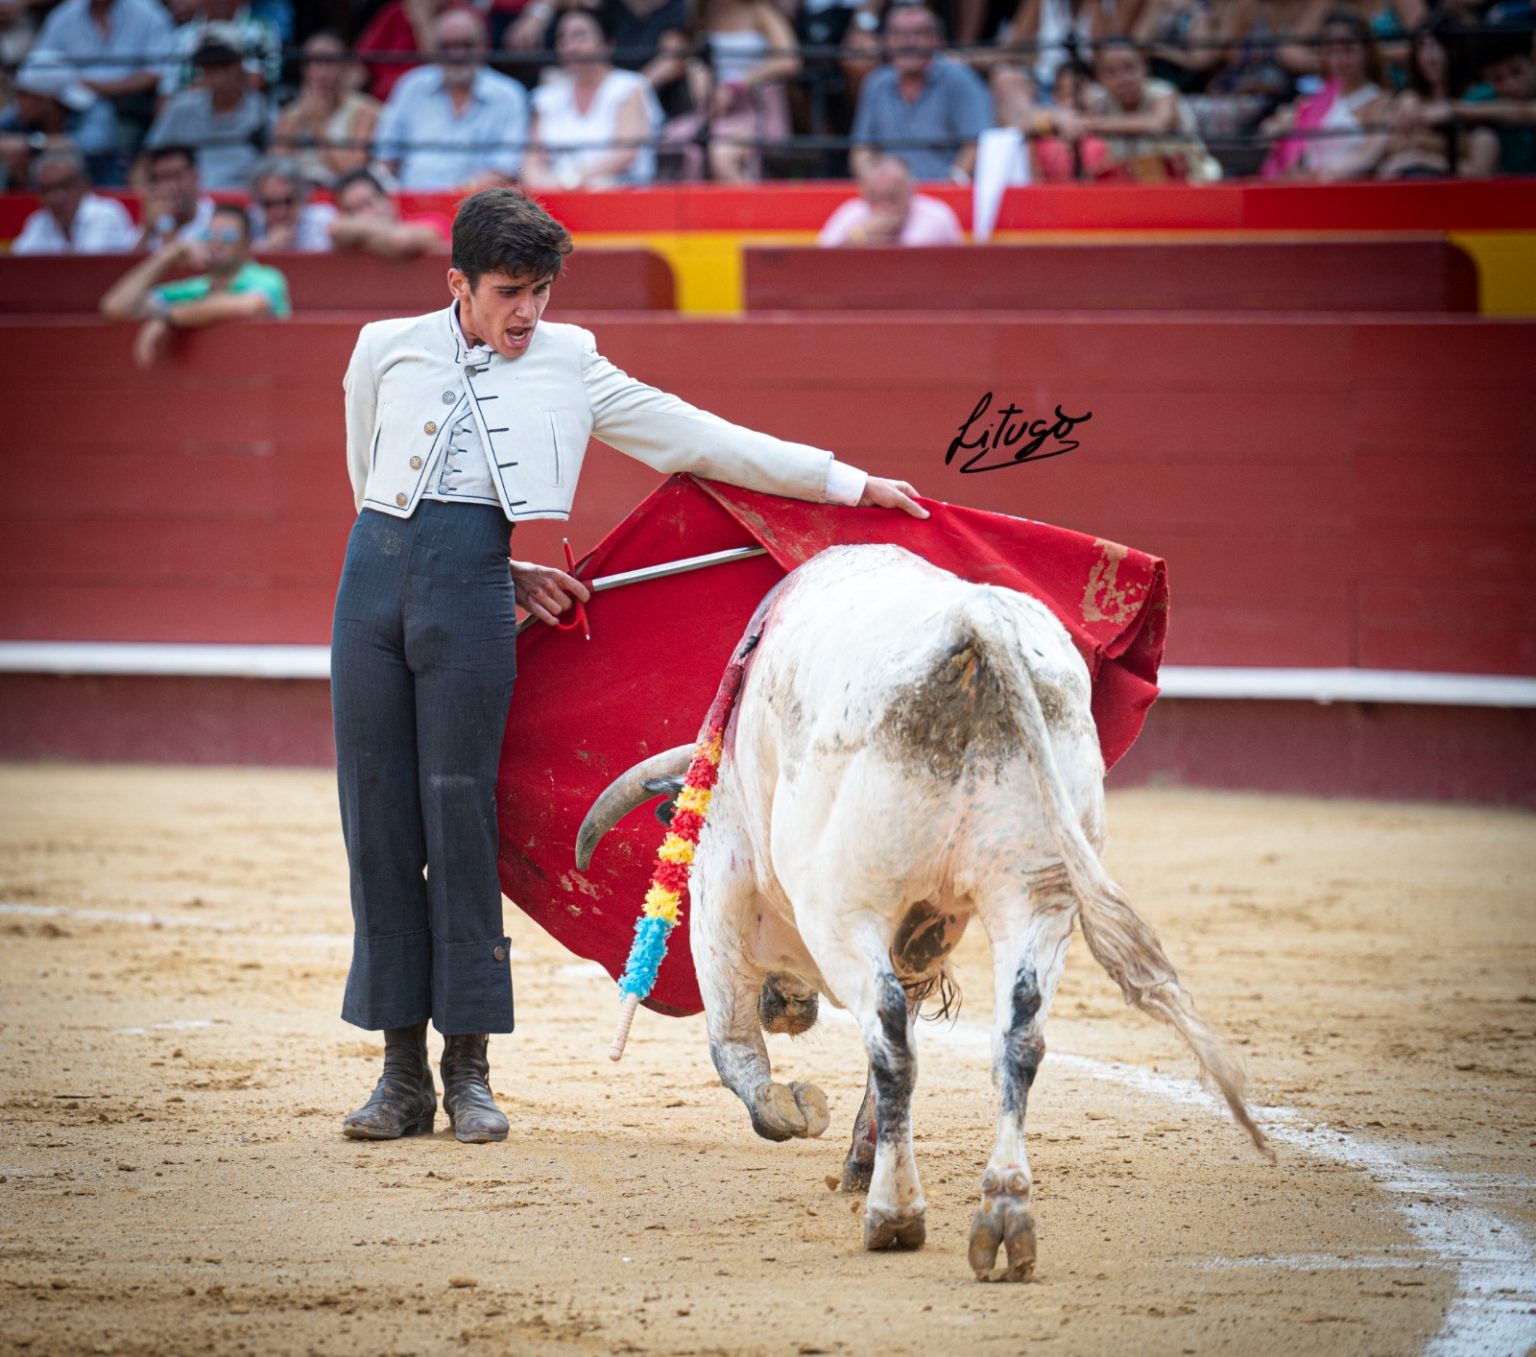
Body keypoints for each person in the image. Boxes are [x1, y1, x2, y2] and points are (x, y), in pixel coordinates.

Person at [333, 187, 926, 1145]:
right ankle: (400, 1076)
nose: (528, 312)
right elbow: (372, 481)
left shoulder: (570, 361)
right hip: (369, 591)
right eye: (508, 291)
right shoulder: (381, 346)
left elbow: (699, 437)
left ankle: (470, 1071)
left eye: (541, 291)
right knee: (378, 825)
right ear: (459, 285)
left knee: (462, 816)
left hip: (470, 597)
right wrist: (506, 565)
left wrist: (846, 483)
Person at [100, 200, 290, 368]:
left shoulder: (267, 277)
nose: (217, 242)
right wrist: (168, 255)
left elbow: (250, 305)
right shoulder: (194, 289)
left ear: (247, 242)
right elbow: (116, 307)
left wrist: (168, 317)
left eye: (228, 235)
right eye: (210, 234)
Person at [374, 7, 529, 191]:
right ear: (434, 49)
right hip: (410, 205)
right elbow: (385, 156)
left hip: (478, 209)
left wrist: (453, 197)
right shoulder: (411, 86)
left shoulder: (508, 94)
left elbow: (506, 167)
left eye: (466, 45)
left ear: (483, 46)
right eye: (446, 46)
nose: (456, 54)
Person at [1036, 34, 1221, 181]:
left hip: (1190, 182)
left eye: (1129, 68)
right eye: (1111, 72)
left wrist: (1091, 124)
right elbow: (1065, 112)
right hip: (1132, 188)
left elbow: (1157, 124)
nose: (1123, 79)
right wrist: (1063, 120)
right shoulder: (1099, 99)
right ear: (1099, 77)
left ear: (1144, 68)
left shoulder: (1163, 92)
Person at [849, 1, 994, 182]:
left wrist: (951, 183)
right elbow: (862, 150)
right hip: (890, 195)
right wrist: (875, 183)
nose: (908, 42)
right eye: (897, 34)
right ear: (885, 41)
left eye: (918, 33)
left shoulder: (960, 79)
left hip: (946, 193)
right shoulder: (876, 83)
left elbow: (978, 145)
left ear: (938, 40)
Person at [522, 6, 663, 189]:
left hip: (621, 196)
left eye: (580, 36)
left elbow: (625, 155)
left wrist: (569, 180)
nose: (570, 46)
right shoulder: (547, 96)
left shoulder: (630, 86)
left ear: (607, 44)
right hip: (556, 200)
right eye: (562, 38)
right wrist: (549, 187)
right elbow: (530, 162)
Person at [1260, 8, 1391, 180]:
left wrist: (1326, 176)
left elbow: (1369, 156)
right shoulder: (1314, 101)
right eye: (1331, 51)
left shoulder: (1382, 102)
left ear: (1366, 50)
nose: (1339, 60)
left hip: (1351, 192)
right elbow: (1274, 139)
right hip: (1311, 190)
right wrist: (1278, 127)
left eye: (1348, 49)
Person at [144, 24, 270, 191]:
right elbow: (144, 162)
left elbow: (276, 165)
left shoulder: (262, 110)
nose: (217, 75)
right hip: (189, 201)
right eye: (209, 67)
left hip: (244, 199)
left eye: (223, 65)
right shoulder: (182, 108)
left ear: (240, 65)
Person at [270, 30, 379, 186]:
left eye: (328, 62)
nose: (321, 73)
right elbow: (275, 167)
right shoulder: (291, 112)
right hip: (298, 198)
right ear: (304, 70)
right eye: (313, 63)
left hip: (341, 196)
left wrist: (319, 126)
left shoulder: (365, 110)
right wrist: (297, 121)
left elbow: (351, 170)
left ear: (344, 66)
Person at [818, 149, 964, 244]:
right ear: (864, 194)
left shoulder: (936, 217)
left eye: (892, 198)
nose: (884, 207)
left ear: (911, 191)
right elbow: (821, 262)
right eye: (874, 199)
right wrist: (860, 236)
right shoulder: (851, 213)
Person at [12, 145, 139, 252]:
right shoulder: (38, 222)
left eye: (65, 186)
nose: (56, 197)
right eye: (47, 190)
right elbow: (19, 266)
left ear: (84, 185)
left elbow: (91, 267)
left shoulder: (107, 214)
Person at [328, 165, 451, 257]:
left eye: (368, 204)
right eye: (354, 210)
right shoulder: (345, 235)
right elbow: (337, 228)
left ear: (387, 200)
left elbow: (400, 242)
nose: (365, 215)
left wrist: (363, 237)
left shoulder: (434, 221)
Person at [134, 141, 217, 249]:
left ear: (195, 176)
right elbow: (127, 264)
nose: (171, 187)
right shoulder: (149, 218)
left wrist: (164, 223)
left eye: (178, 176)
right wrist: (147, 232)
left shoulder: (215, 218)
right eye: (162, 178)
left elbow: (183, 264)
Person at [249, 154, 337, 250]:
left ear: (302, 197)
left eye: (288, 201)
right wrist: (266, 246)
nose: (280, 212)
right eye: (269, 203)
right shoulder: (247, 223)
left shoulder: (323, 219)